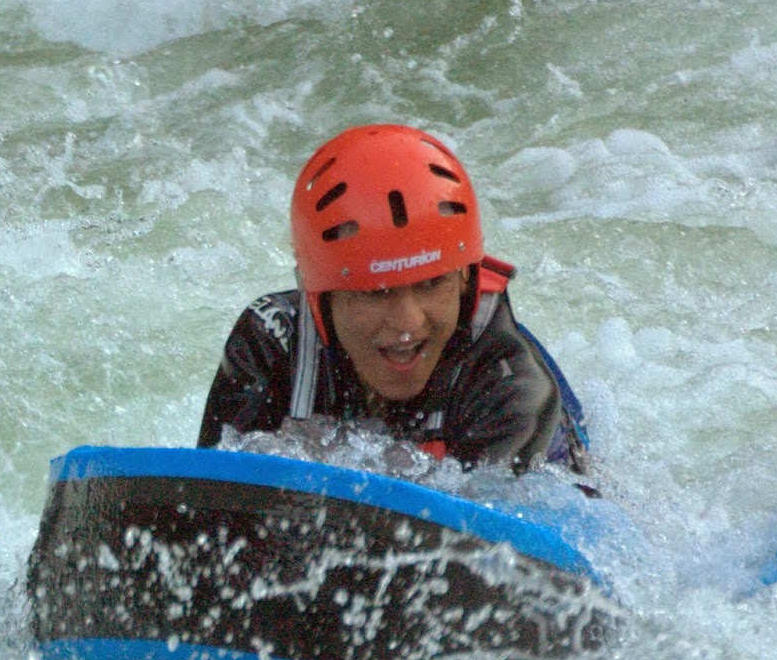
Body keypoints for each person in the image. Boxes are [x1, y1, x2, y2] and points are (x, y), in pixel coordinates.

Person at [198, 123, 588, 474]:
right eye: (375, 292)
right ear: (320, 298)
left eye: (431, 284)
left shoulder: (513, 392)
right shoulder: (270, 346)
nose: (408, 323)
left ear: (466, 278)